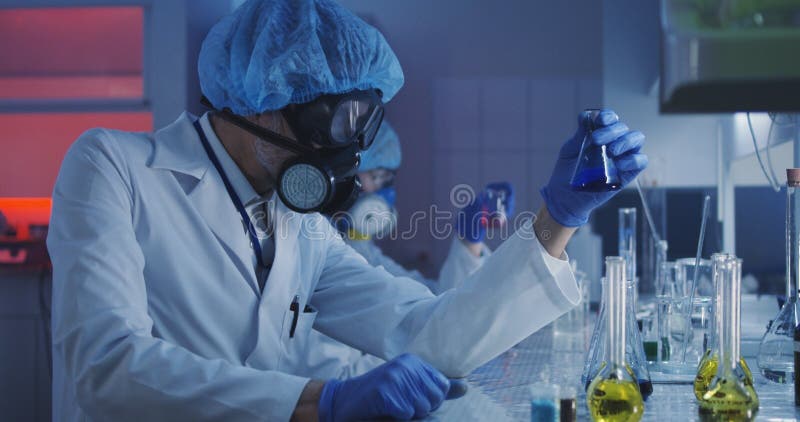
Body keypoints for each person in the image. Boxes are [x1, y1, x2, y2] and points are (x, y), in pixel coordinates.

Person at [47, 1, 648, 421]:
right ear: (261, 101)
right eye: (328, 125)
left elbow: (427, 333)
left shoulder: (300, 224)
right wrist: (320, 402)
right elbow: (107, 370)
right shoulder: (114, 166)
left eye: (361, 125)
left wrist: (555, 221)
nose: (345, 157)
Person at [338, 120, 514, 294]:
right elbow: (440, 314)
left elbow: (433, 301)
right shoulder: (326, 244)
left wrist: (469, 240)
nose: (384, 193)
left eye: (388, 180)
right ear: (344, 171)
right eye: (378, 176)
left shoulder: (359, 248)